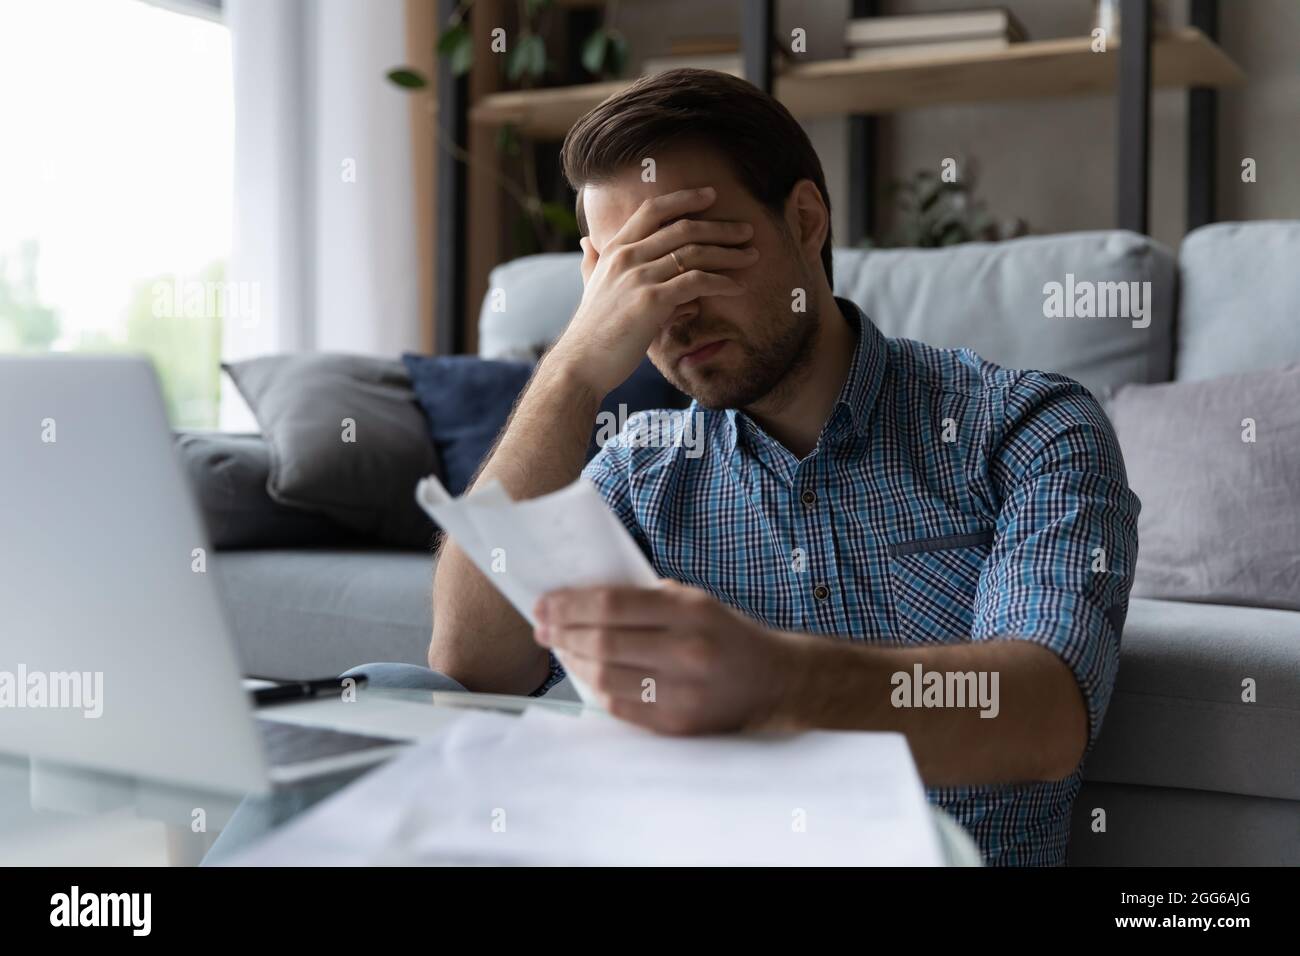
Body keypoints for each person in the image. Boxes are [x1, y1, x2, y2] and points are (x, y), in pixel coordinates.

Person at [381, 69, 1140, 866]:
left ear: (805, 219)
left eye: (690, 256)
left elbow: (1042, 715)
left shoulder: (1024, 427)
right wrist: (572, 367)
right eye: (632, 279)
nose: (670, 312)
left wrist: (776, 682)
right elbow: (473, 664)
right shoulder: (646, 470)